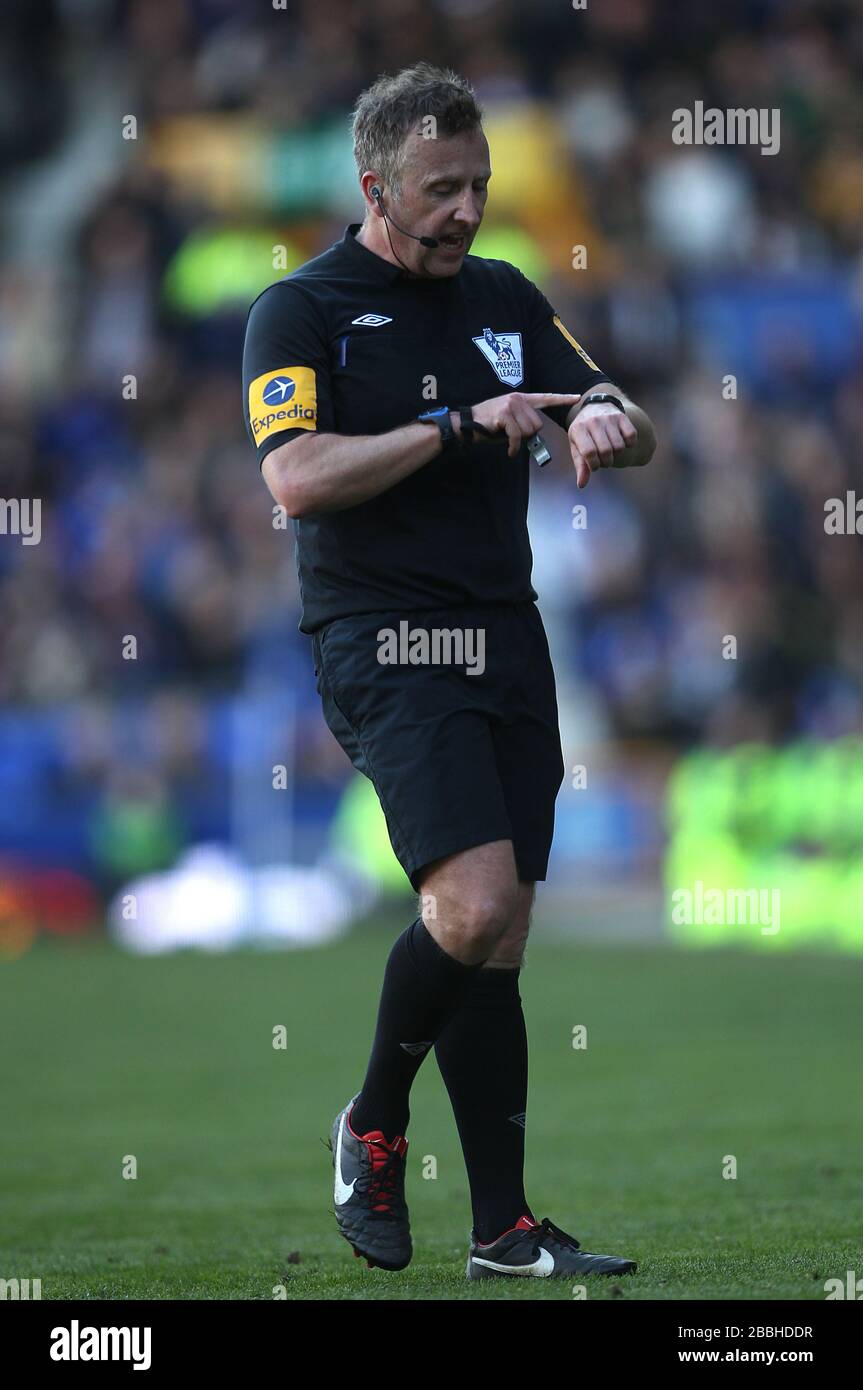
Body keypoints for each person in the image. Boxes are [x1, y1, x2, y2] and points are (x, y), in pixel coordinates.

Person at [242, 62, 656, 1281]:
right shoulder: (302, 309)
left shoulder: (505, 295)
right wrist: (452, 426)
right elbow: (295, 478)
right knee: (468, 904)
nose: (466, 209)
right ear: (374, 185)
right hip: (384, 637)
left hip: (505, 635)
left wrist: (604, 420)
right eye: (439, 189)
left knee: (502, 934)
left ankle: (502, 1230)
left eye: (479, 184)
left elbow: (627, 414)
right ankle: (368, 1123)